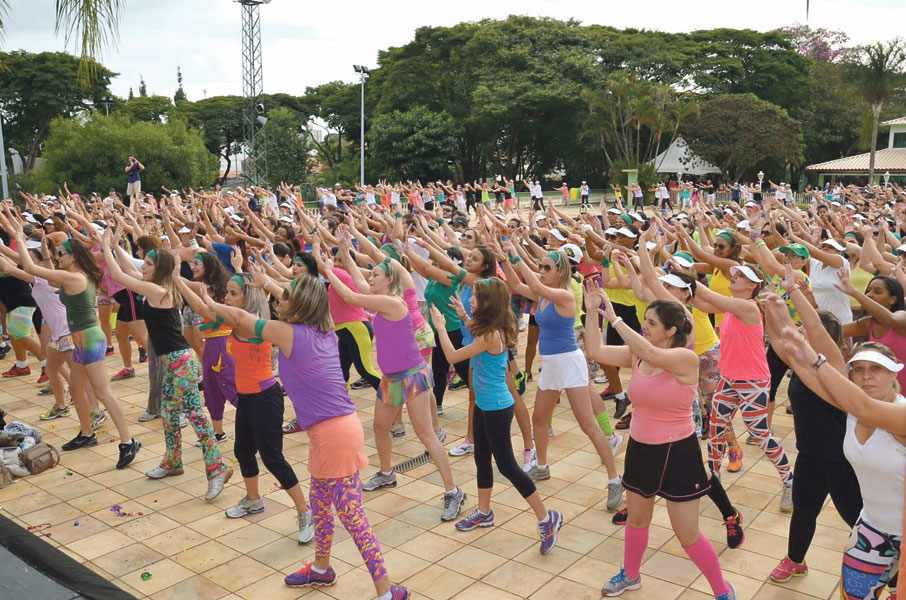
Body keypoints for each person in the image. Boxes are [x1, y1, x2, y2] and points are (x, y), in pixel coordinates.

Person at [585, 283, 737, 600]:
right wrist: (591, 311)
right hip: (641, 450)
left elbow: (652, 353)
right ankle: (630, 575)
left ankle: (722, 590)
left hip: (678, 453)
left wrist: (614, 318)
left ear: (670, 331)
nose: (645, 325)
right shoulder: (637, 355)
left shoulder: (685, 358)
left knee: (687, 535)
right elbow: (595, 351)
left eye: (652, 323)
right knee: (638, 520)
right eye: (645, 320)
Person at [318, 235, 466, 521]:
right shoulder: (381, 299)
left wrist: (328, 271)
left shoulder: (394, 303)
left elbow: (351, 296)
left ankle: (453, 490)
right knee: (380, 427)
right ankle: (387, 474)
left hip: (412, 376)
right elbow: (358, 284)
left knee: (426, 435)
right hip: (391, 378)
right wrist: (345, 252)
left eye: (375, 274)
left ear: (389, 280)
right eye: (371, 274)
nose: (370, 277)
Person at [431, 277, 563, 553]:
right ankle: (484, 511)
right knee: (481, 458)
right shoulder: (489, 327)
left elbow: (453, 356)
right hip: (484, 404)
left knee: (507, 466)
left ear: (487, 303)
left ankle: (546, 517)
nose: (470, 299)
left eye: (474, 297)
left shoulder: (490, 334)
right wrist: (464, 316)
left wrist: (441, 327)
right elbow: (477, 331)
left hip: (497, 408)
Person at [101, 234, 231, 500]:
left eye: (148, 264)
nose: (143, 267)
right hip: (171, 363)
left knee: (195, 415)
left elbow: (120, 275)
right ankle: (173, 462)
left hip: (180, 362)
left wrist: (104, 248)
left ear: (159, 269)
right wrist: (114, 246)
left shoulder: (160, 291)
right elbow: (129, 269)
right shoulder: (155, 286)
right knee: (169, 412)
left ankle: (217, 468)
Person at [779, 327, 905, 600]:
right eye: (858, 370)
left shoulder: (901, 414)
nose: (866, 376)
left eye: (876, 368)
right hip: (873, 529)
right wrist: (781, 309)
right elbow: (806, 369)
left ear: (895, 373)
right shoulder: (851, 405)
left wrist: (816, 360)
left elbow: (864, 407)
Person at [500, 244, 623, 511]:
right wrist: (505, 259)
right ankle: (542, 466)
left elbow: (535, 284)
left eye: (547, 268)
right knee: (539, 419)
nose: (541, 271)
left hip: (569, 362)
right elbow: (516, 285)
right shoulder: (543, 294)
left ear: (560, 271)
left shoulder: (564, 295)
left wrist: (516, 255)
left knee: (587, 424)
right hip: (551, 364)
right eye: (540, 267)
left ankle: (615, 479)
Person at [760, 274, 862, 584]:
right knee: (804, 508)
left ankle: (888, 557)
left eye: (804, 330)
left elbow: (815, 328)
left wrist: (793, 290)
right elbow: (777, 338)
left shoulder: (835, 369)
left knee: (855, 515)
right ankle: (795, 560)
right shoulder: (801, 366)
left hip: (839, 458)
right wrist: (772, 308)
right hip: (809, 453)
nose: (799, 332)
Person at [198, 273, 315, 542]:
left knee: (272, 458)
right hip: (247, 397)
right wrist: (179, 282)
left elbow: (213, 310)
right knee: (243, 451)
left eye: (233, 293)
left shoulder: (251, 324)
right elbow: (206, 310)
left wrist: (206, 300)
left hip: (265, 398)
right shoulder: (238, 320)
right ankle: (253, 499)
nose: (226, 298)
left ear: (247, 298)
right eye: (226, 293)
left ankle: (304, 511)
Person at [13, 228, 139, 469]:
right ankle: (87, 433)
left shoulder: (76, 278)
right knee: (77, 388)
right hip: (80, 339)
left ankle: (128, 441)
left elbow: (30, 268)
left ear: (74, 257)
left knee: (103, 392)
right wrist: (46, 253)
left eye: (61, 253)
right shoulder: (73, 275)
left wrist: (19, 239)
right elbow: (50, 279)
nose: (58, 257)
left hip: (90, 339)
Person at [693, 264, 794, 548]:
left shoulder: (748, 307)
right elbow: (699, 301)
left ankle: (790, 480)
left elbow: (705, 294)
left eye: (740, 276)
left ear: (752, 286)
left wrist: (685, 276)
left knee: (759, 434)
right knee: (716, 430)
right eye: (734, 274)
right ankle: (714, 482)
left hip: (753, 381)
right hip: (728, 378)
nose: (733, 277)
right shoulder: (731, 307)